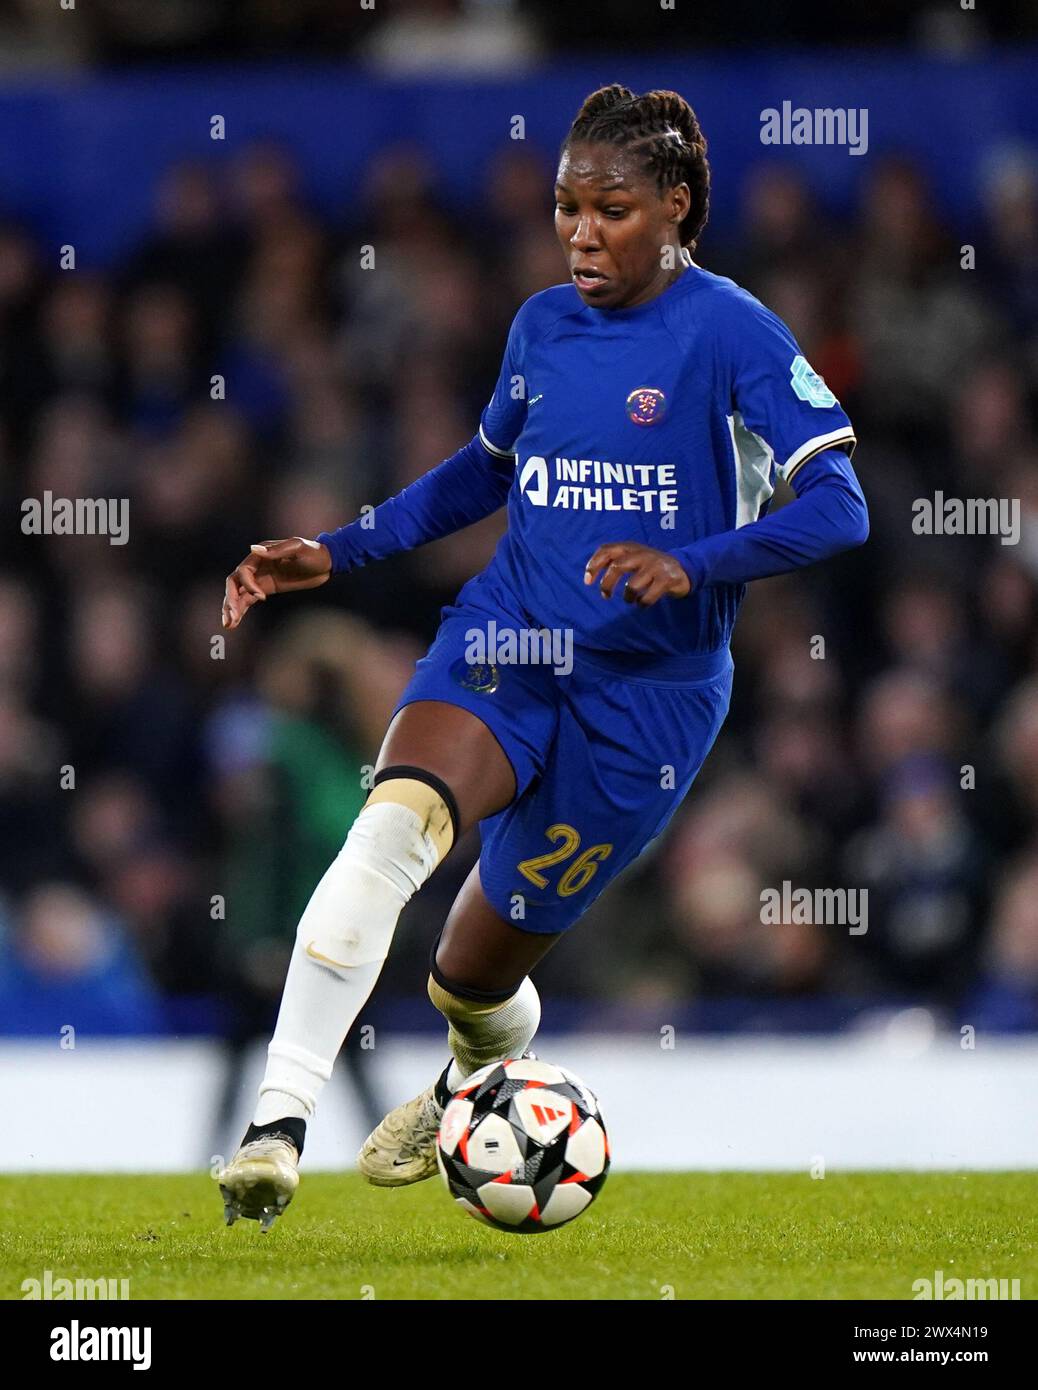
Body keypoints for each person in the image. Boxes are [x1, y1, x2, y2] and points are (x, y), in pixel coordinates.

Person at [217, 84, 868, 1230]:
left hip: (652, 702)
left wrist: (698, 562)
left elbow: (841, 506)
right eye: (566, 207)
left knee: (467, 976)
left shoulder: (734, 332)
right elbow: (483, 471)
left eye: (608, 208)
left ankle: (470, 1070)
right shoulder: (540, 326)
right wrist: (342, 548)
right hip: (510, 634)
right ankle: (277, 1126)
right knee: (392, 829)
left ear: (674, 209)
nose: (579, 232)